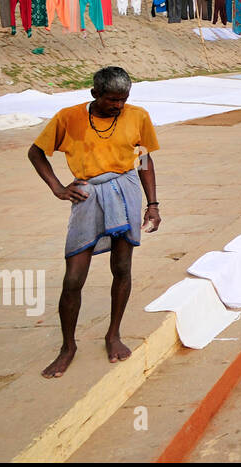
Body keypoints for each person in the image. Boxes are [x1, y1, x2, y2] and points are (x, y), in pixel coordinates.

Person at [28, 67, 161, 379]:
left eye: (123, 99)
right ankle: (68, 346)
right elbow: (36, 153)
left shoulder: (137, 116)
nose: (118, 105)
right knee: (73, 278)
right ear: (95, 94)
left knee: (122, 267)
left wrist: (153, 205)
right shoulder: (68, 117)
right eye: (112, 99)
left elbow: (143, 159)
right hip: (87, 194)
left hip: (126, 191)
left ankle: (113, 335)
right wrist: (57, 188)